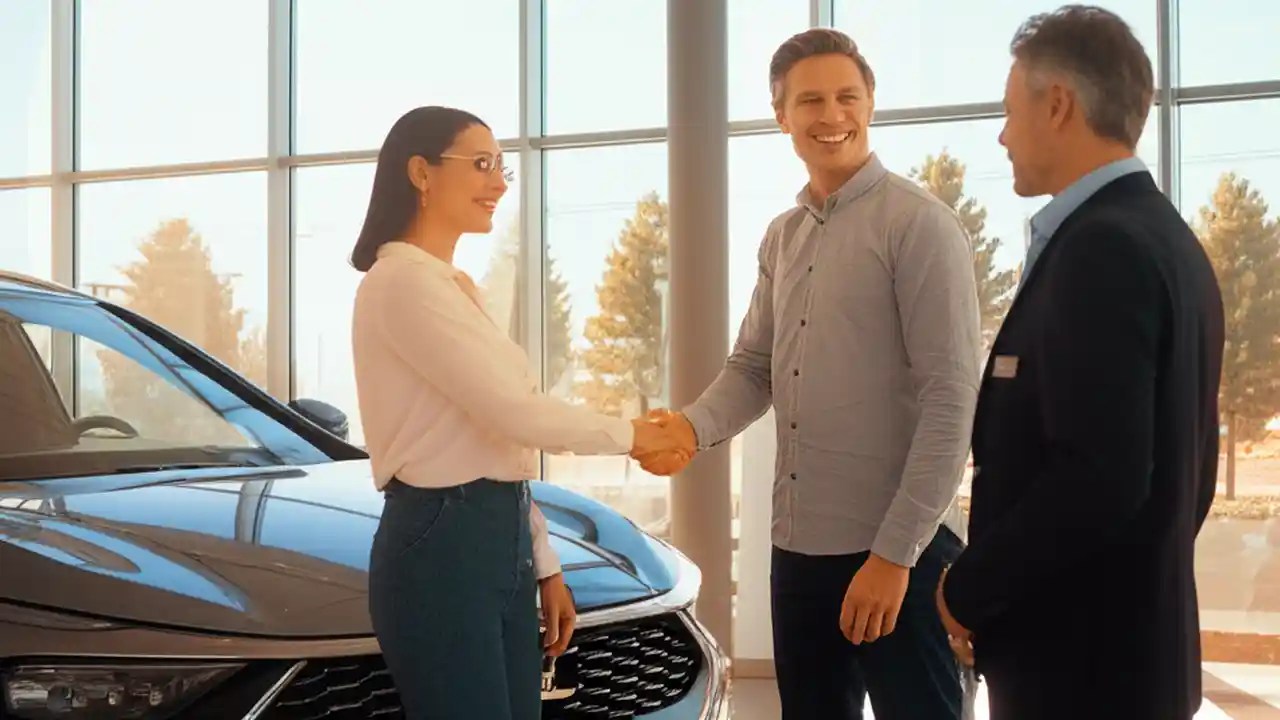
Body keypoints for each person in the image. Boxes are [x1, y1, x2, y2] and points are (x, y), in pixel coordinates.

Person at [643, 28, 982, 720]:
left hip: (898, 558)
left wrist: (894, 557)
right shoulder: (782, 236)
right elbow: (753, 367)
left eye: (847, 97)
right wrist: (688, 428)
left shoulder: (920, 226)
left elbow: (952, 399)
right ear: (781, 115)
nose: (832, 116)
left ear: (871, 104)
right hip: (797, 553)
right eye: (811, 100)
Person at [934, 7, 1225, 720]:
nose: (1002, 137)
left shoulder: (1102, 250)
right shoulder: (1170, 241)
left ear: (1057, 103)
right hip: (1128, 657)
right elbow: (1191, 476)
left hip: (1081, 674)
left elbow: (1100, 477)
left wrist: (964, 590)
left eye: (1009, 112)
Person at [349, 106, 682, 720]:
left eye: (501, 166)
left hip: (493, 533)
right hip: (441, 543)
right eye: (481, 164)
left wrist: (544, 564)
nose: (499, 182)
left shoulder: (452, 287)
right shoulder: (400, 284)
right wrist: (635, 434)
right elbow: (513, 414)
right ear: (420, 172)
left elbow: (495, 445)